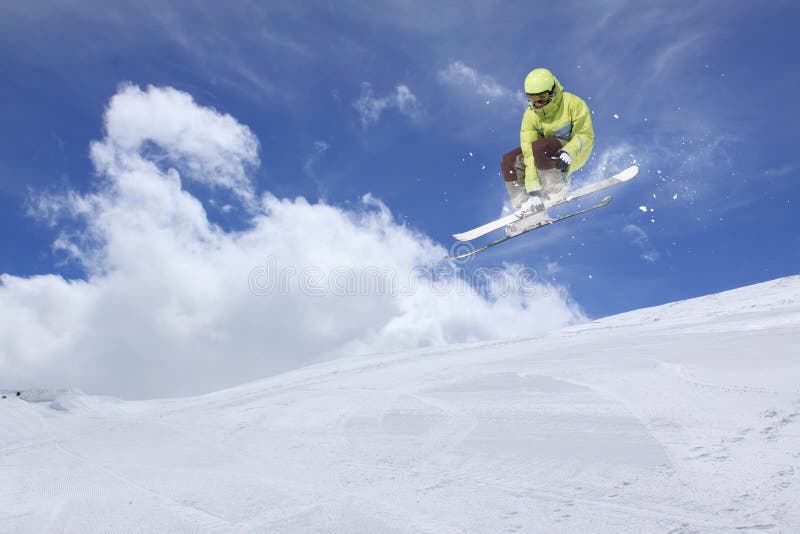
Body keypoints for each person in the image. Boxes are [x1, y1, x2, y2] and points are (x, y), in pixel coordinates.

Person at [500, 68, 595, 235]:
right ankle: (527, 206)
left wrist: (569, 151)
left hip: (574, 153)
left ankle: (556, 189)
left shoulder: (572, 104)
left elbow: (585, 135)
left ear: (553, 91)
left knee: (541, 147)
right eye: (533, 98)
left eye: (542, 97)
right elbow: (529, 154)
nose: (538, 103)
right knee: (510, 161)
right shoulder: (530, 116)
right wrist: (533, 191)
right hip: (543, 153)